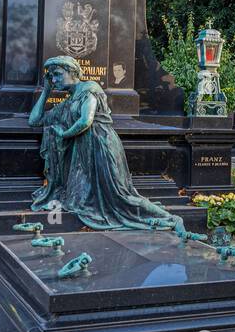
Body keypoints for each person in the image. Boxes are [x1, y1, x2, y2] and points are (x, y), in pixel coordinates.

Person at [28, 56, 179, 230]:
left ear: (72, 72)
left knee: (121, 197)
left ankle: (170, 218)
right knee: (89, 199)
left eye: (57, 74)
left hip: (102, 147)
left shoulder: (89, 88)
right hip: (84, 154)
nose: (54, 80)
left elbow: (86, 120)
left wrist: (64, 134)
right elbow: (35, 120)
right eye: (51, 77)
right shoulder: (68, 102)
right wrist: (46, 91)